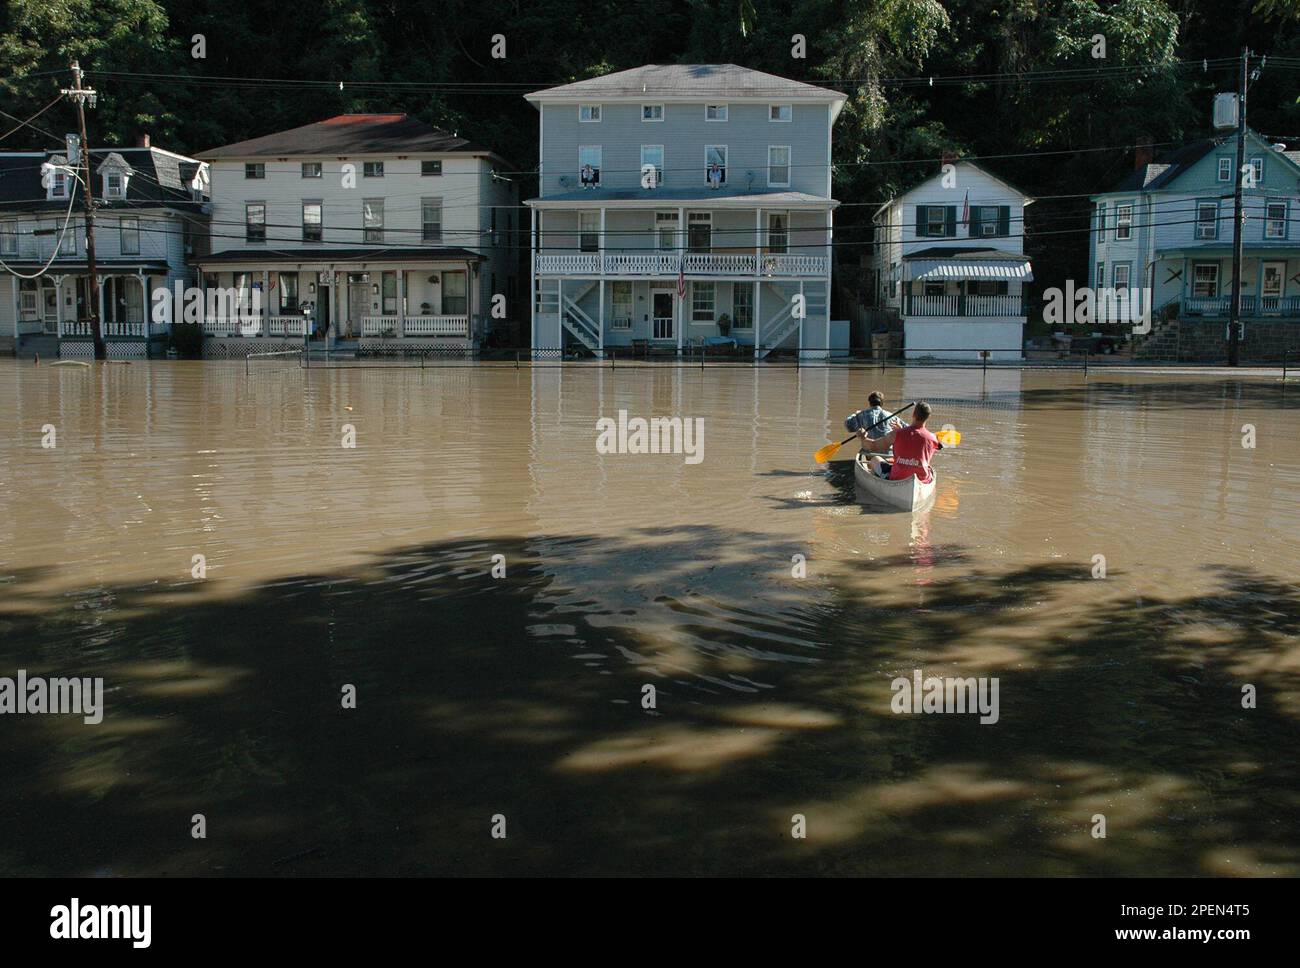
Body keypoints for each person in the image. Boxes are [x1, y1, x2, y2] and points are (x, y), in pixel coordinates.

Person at [862, 401, 941, 482]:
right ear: (928, 417)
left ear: (913, 414)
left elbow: (873, 445)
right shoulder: (933, 438)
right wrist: (902, 431)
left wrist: (862, 437)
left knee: (875, 459)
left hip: (897, 477)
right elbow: (918, 443)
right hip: (922, 479)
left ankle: (877, 481)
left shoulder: (896, 434)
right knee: (929, 469)